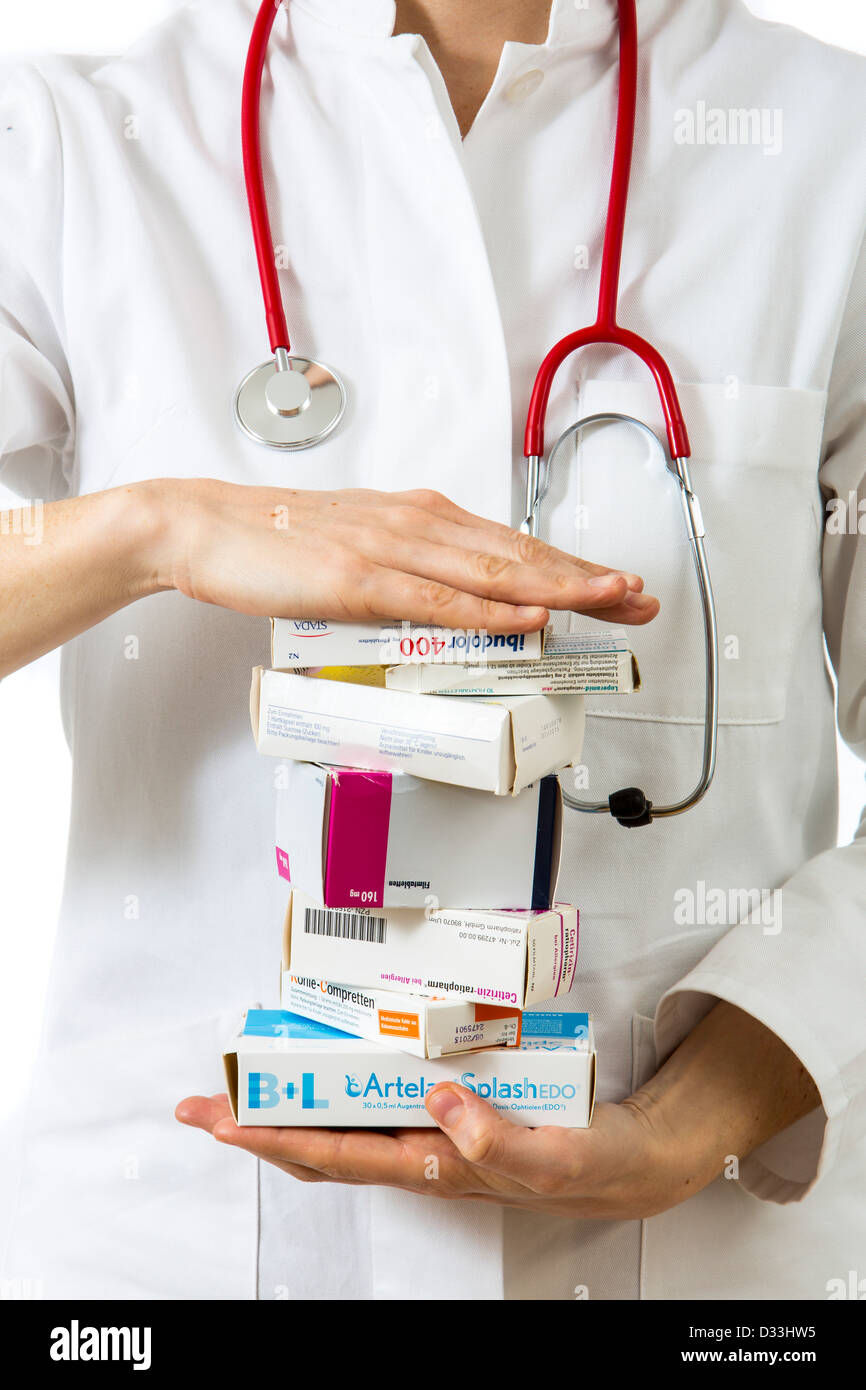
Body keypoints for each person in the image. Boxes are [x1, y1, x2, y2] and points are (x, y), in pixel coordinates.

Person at [1, 0, 864, 1302]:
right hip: (163, 1243)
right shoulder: (69, 146)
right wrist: (153, 527)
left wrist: (709, 1102)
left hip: (688, 1256)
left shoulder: (826, 148)